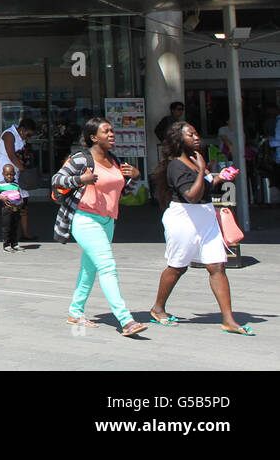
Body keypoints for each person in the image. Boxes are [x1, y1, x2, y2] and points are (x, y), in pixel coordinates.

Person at [149, 122, 252, 334]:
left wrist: (219, 177)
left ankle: (228, 319)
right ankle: (158, 308)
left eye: (196, 133)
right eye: (190, 135)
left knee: (217, 266)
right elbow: (192, 195)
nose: (197, 137)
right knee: (178, 266)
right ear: (179, 140)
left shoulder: (194, 161)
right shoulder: (177, 165)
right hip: (184, 218)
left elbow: (203, 184)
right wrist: (204, 169)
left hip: (205, 216)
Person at [51, 117, 146, 336]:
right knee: (107, 266)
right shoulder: (81, 159)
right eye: (106, 132)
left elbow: (118, 190)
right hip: (84, 218)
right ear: (94, 137)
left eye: (112, 131)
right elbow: (57, 180)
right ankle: (126, 320)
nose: (112, 135)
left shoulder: (114, 160)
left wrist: (133, 178)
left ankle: (75, 311)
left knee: (90, 268)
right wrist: (80, 180)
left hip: (107, 220)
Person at [0, 116, 37, 240]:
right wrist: (25, 171)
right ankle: (10, 234)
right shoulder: (9, 134)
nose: (27, 138)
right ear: (22, 129)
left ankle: (24, 232)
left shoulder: (21, 137)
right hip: (7, 169)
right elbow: (11, 155)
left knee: (23, 201)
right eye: (28, 135)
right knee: (11, 202)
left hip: (17, 169)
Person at [0, 164, 23, 253]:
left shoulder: (16, 184)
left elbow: (19, 194)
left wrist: (20, 202)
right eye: (7, 174)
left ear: (14, 174)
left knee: (15, 226)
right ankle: (6, 244)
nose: (9, 176)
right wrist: (2, 198)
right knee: (7, 227)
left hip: (15, 208)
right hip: (6, 208)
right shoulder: (1, 184)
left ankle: (15, 243)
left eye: (11, 174)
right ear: (3, 174)